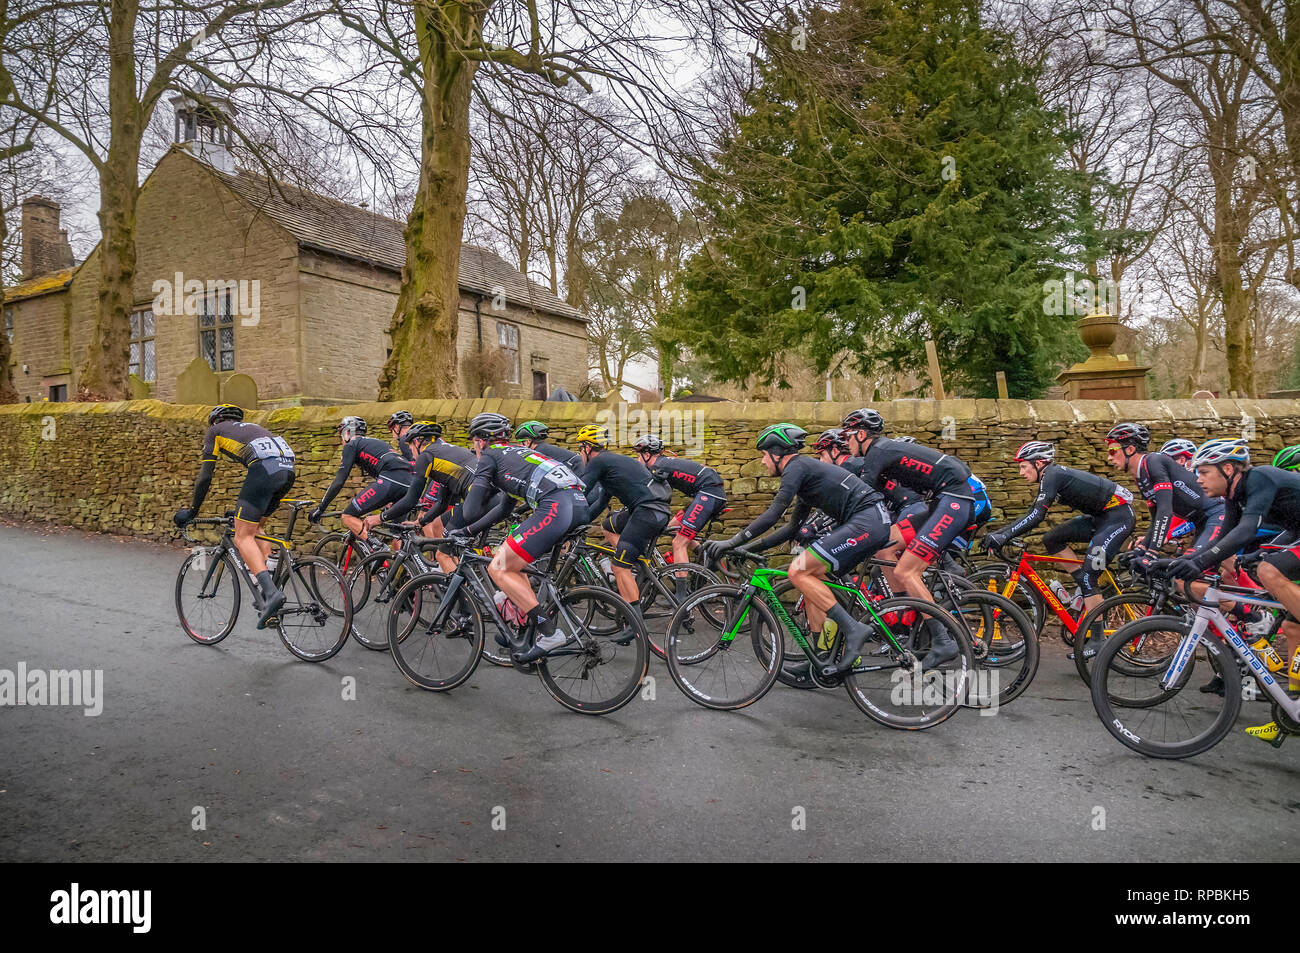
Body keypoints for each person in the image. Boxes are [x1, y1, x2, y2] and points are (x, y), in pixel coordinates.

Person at [703, 424, 915, 674]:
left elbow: (773, 514)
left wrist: (730, 542)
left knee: (798, 570)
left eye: (763, 455)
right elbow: (791, 528)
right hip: (868, 521)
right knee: (811, 578)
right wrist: (747, 547)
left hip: (869, 521)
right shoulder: (806, 476)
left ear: (776, 452)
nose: (762, 462)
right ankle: (821, 657)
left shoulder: (796, 467)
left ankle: (854, 629)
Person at [1164, 438, 1300, 744]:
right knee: (1293, 627)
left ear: (1228, 469)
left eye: (1204, 471)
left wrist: (1198, 561)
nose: (1197, 478)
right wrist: (1182, 561)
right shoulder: (1234, 495)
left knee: (1268, 570)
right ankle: (1294, 712)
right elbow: (1223, 539)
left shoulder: (1259, 478)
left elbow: (1246, 531)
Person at [840, 408, 977, 664]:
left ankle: (942, 642)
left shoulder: (878, 451)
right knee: (885, 548)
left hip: (954, 501)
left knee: (906, 571)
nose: (846, 443)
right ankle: (906, 613)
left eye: (848, 437)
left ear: (861, 434)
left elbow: (863, 497)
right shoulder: (881, 451)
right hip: (941, 501)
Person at [452, 412, 588, 663]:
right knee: (514, 559)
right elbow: (504, 508)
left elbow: (470, 510)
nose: (474, 447)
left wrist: (462, 521)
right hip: (578, 503)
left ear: (481, 441)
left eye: (473, 441)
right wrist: (468, 532)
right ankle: (528, 623)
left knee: (499, 568)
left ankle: (548, 632)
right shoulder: (516, 455)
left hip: (555, 506)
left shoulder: (490, 456)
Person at [982, 441, 1135, 648]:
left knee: (1090, 575)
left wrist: (1004, 536)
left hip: (1117, 519)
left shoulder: (1052, 475)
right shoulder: (1049, 476)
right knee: (1051, 539)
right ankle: (1083, 583)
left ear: (1039, 463)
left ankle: (1099, 640)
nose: (1020, 473)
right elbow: (1031, 513)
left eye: (1023, 466)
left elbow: (1037, 516)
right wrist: (999, 534)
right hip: (1100, 518)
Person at [173, 404, 297, 628]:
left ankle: (271, 593)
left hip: (264, 470)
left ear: (214, 421)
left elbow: (205, 477)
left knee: (241, 537)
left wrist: (192, 511)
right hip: (287, 468)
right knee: (256, 525)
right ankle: (268, 572)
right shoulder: (253, 428)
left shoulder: (215, 431)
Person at [575, 424, 672, 615]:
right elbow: (600, 504)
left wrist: (566, 519)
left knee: (618, 567)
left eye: (580, 449)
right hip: (656, 511)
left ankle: (634, 623)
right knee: (608, 525)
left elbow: (580, 492)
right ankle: (634, 562)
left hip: (646, 513)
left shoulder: (598, 462)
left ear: (587, 447)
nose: (579, 454)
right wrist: (581, 522)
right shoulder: (613, 465)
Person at [367, 420, 477, 573]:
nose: (411, 451)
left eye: (410, 445)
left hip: (476, 500)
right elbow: (442, 504)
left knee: (443, 555)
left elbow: (411, 499)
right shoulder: (445, 454)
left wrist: (380, 518)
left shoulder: (426, 456)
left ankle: (462, 595)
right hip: (484, 497)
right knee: (439, 526)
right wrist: (419, 523)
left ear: (418, 441)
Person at [632, 434, 726, 594]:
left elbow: (652, 496)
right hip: (705, 493)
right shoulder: (664, 464)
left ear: (647, 455)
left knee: (679, 543)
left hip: (708, 494)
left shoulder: (657, 468)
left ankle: (682, 596)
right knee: (670, 527)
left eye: (638, 456)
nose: (637, 460)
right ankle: (703, 553)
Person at [309, 416, 414, 548]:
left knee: (348, 515)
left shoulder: (351, 445)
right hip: (409, 482)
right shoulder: (375, 443)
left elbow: (339, 481)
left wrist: (320, 508)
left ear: (347, 433)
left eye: (341, 436)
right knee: (398, 535)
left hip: (391, 480)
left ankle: (375, 547)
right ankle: (409, 566)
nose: (341, 440)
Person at [514, 420, 584, 471]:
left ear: (528, 441)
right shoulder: (545, 448)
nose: (520, 445)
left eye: (521, 442)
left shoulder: (538, 453)